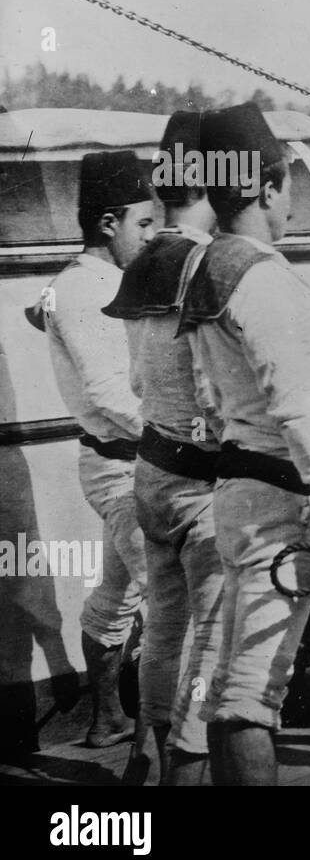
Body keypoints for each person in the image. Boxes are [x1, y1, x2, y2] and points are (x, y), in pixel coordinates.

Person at [178, 103, 310, 785]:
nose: (291, 200)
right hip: (274, 505)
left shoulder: (205, 270)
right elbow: (299, 411)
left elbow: (206, 398)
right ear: (267, 188)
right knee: (255, 694)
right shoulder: (262, 276)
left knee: (236, 685)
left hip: (237, 495)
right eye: (288, 185)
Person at [102, 111, 225, 784]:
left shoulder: (143, 260)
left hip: (150, 471)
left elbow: (136, 378)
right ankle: (189, 764)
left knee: (165, 626)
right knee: (210, 634)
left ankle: (145, 753)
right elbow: (212, 390)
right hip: (203, 482)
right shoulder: (204, 264)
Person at [36, 151, 156, 748]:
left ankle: (108, 718)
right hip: (124, 467)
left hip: (129, 462)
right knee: (170, 602)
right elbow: (110, 394)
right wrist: (188, 443)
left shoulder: (93, 283)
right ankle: (168, 747)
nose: (153, 234)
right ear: (108, 224)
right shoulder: (82, 287)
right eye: (145, 223)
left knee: (117, 596)